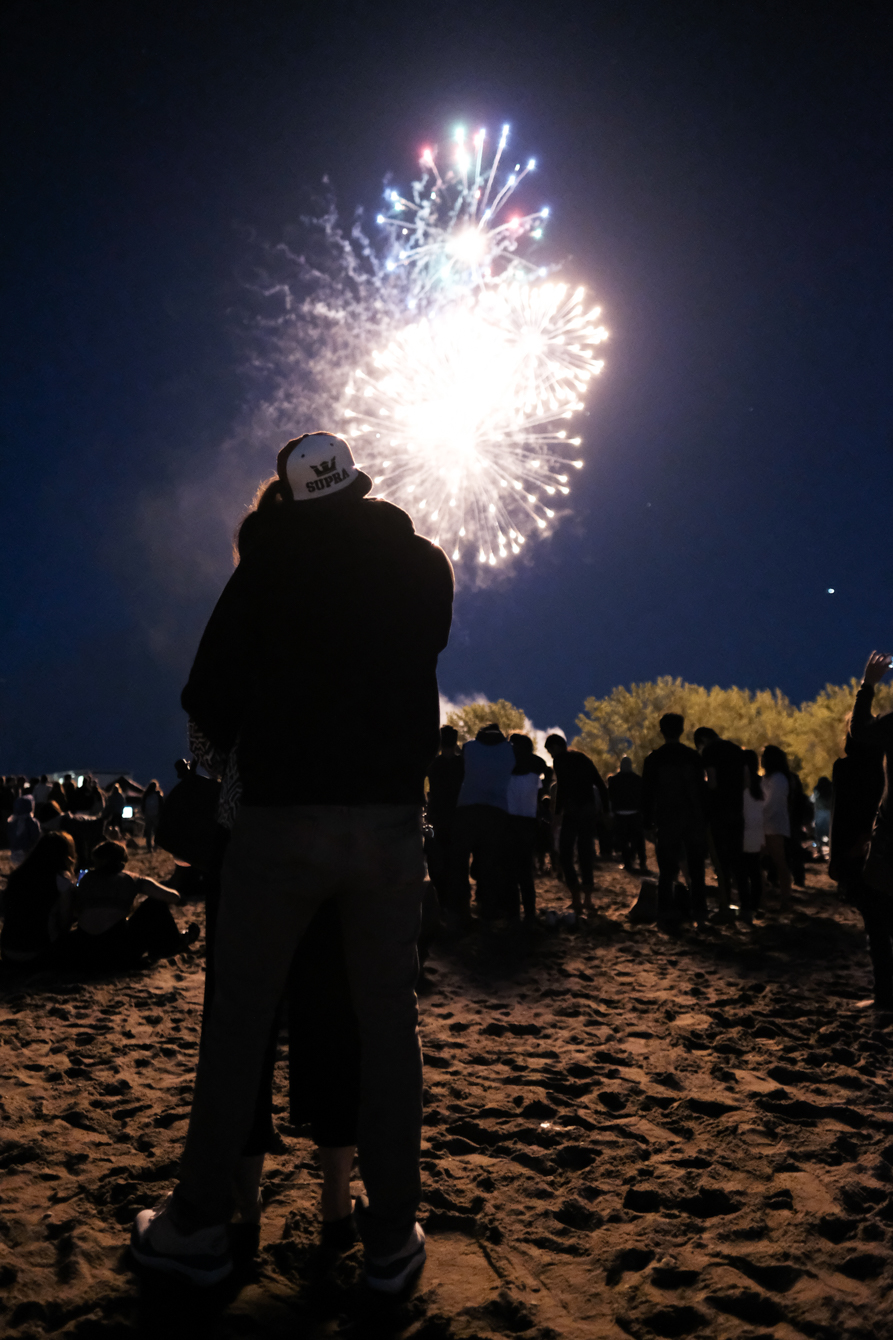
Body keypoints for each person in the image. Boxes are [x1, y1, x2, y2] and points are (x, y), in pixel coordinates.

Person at [131, 430, 453, 1291]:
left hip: (277, 822)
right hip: (389, 822)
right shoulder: (423, 565)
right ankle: (388, 1239)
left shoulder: (264, 569)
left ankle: (198, 1221)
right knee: (388, 1030)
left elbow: (207, 701)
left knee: (238, 1024)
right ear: (355, 485)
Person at [841, 650, 893, 1009]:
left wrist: (867, 686)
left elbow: (859, 732)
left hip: (891, 835)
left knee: (878, 916)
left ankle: (885, 998)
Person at [68, 841, 196, 969]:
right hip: (118, 953)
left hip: (86, 950)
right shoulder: (130, 879)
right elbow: (173, 897)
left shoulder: (85, 880)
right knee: (155, 904)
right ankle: (175, 944)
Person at [641, 714, 709, 924]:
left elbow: (647, 794)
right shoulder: (693, 757)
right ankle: (699, 913)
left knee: (667, 870)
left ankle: (665, 913)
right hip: (693, 818)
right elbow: (701, 789)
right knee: (696, 869)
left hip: (667, 818)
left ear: (661, 731)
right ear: (681, 730)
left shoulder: (654, 758)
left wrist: (647, 823)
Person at [450, 723, 515, 922]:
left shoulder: (469, 747)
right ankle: (488, 908)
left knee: (460, 861)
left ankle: (462, 908)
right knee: (490, 862)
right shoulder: (509, 750)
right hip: (497, 811)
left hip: (467, 809)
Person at [545, 734, 610, 916]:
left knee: (566, 854)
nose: (550, 754)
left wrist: (557, 815)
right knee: (585, 854)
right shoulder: (583, 758)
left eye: (550, 749)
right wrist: (605, 811)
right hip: (588, 811)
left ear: (556, 747)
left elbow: (563, 789)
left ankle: (575, 899)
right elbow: (601, 785)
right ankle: (588, 899)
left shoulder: (560, 760)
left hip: (572, 811)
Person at [0, 831, 77, 963]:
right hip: (37, 951)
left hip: (8, 950)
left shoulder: (18, 875)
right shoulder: (61, 879)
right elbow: (65, 919)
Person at [693, 726, 745, 913]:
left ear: (702, 741)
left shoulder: (709, 751)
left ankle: (725, 905)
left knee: (721, 861)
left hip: (718, 812)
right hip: (738, 810)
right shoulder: (736, 749)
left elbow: (712, 781)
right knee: (739, 860)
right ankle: (746, 908)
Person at [506, 733, 545, 923]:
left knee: (511, 872)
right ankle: (530, 912)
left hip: (510, 822)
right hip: (529, 823)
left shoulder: (506, 770)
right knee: (526, 871)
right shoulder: (535, 772)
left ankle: (513, 913)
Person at [425, 725, 464, 906]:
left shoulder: (433, 764)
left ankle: (441, 899)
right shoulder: (462, 764)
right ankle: (457, 900)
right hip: (457, 817)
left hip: (437, 817)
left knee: (437, 859)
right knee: (456, 860)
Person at [760, 744, 793, 911]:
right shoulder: (770, 779)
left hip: (773, 826)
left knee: (779, 862)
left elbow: (772, 804)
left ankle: (785, 899)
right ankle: (768, 897)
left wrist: (758, 817)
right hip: (768, 825)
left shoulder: (778, 779)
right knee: (773, 863)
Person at [607, 756, 647, 873]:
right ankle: (642, 862)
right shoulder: (638, 779)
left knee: (623, 839)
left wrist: (610, 812)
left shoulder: (614, 780)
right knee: (639, 839)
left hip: (620, 814)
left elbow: (610, 797)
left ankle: (627, 863)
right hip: (635, 814)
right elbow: (643, 798)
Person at [739, 749, 765, 924]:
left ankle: (745, 906)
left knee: (742, 872)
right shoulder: (762, 783)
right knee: (755, 871)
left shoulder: (741, 784)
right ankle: (755, 905)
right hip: (759, 832)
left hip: (743, 831)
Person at [7, 795, 41, 867]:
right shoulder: (32, 823)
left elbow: (10, 837)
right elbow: (36, 838)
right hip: (28, 854)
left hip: (15, 853)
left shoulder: (13, 822)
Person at [812, 776, 833, 856]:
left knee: (819, 832)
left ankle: (819, 848)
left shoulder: (817, 790)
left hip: (819, 813)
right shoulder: (830, 790)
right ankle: (829, 848)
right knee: (828, 831)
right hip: (828, 812)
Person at [141, 780, 163, 851]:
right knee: (157, 832)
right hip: (156, 815)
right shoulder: (158, 795)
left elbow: (143, 805)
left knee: (149, 832)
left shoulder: (146, 795)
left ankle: (149, 847)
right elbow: (161, 805)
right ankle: (156, 846)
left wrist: (144, 813)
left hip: (148, 815)